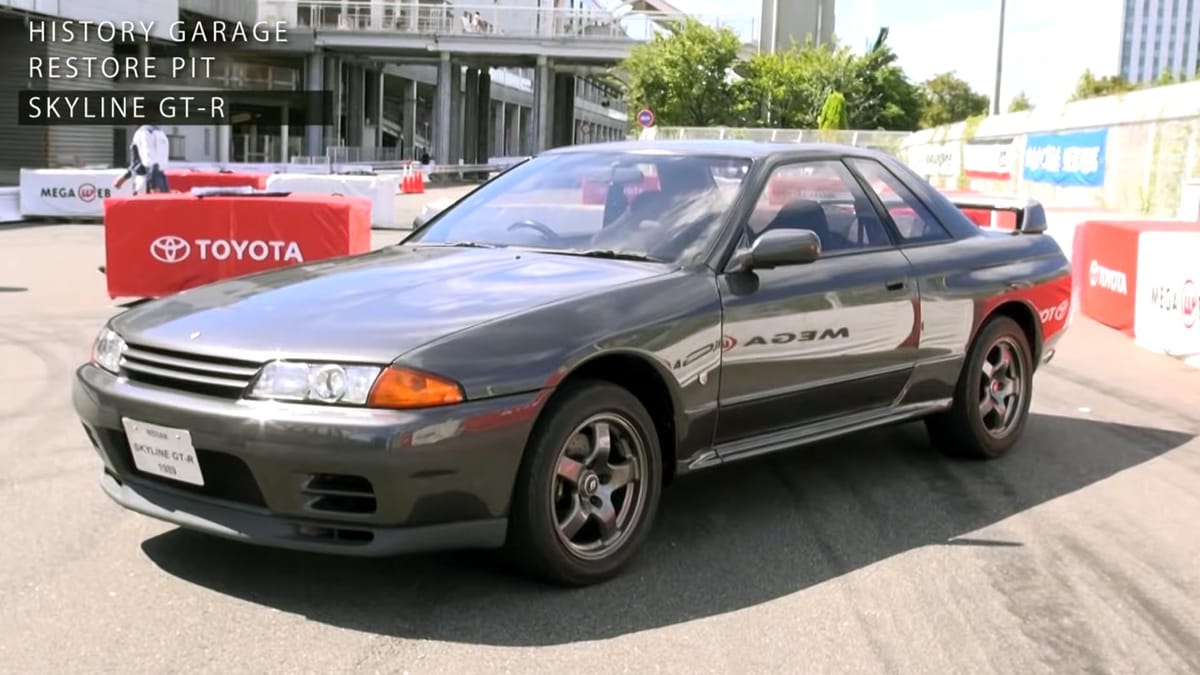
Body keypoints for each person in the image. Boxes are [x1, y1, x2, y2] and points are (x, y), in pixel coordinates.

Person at [114, 124, 171, 194]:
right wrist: (123, 178)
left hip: (147, 181)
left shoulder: (142, 134)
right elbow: (140, 163)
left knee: (153, 165)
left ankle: (154, 188)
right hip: (160, 133)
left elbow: (146, 164)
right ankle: (155, 187)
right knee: (158, 165)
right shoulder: (159, 134)